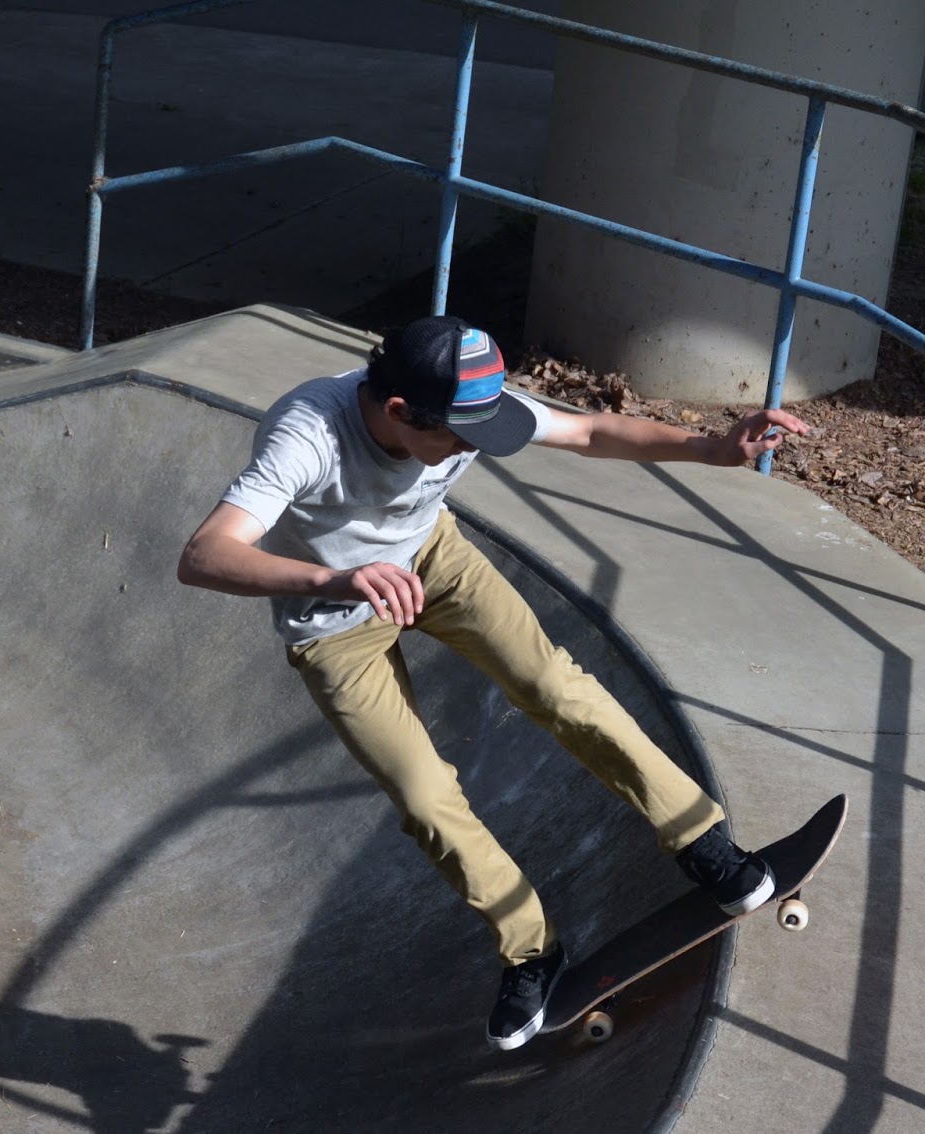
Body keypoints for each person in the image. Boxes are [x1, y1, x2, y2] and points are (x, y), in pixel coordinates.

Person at [177, 315, 810, 1051]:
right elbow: (203, 554)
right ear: (397, 413)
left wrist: (709, 449)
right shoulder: (307, 434)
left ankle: (703, 842)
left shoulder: (471, 408)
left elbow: (587, 433)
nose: (474, 447)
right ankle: (533, 950)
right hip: (333, 621)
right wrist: (336, 576)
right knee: (423, 794)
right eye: (457, 436)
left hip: (434, 564)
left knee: (552, 683)